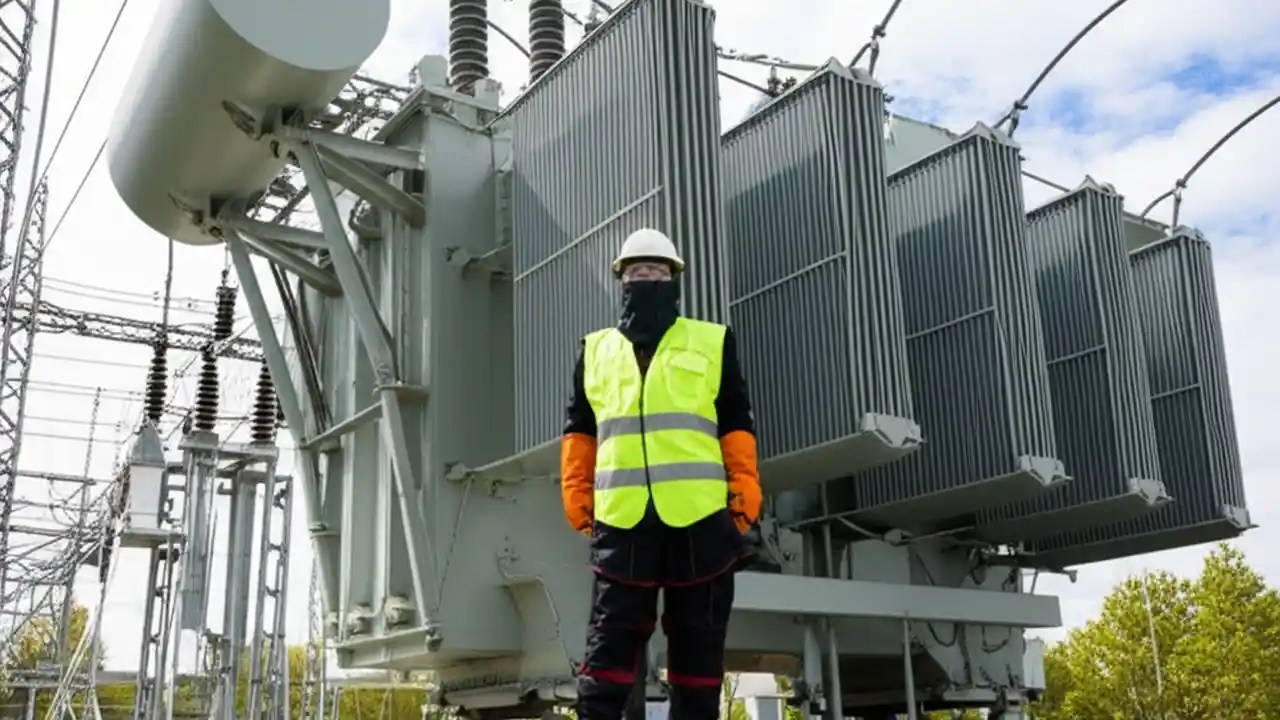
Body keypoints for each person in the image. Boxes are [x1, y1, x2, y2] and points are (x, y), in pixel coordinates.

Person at [560, 228, 763, 720]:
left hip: (701, 521)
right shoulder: (596, 349)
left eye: (655, 271)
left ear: (673, 279)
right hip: (622, 522)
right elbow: (580, 427)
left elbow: (736, 419)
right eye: (635, 271)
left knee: (699, 651)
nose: (644, 278)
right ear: (621, 281)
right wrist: (575, 487)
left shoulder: (713, 340)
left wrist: (744, 489)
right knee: (608, 651)